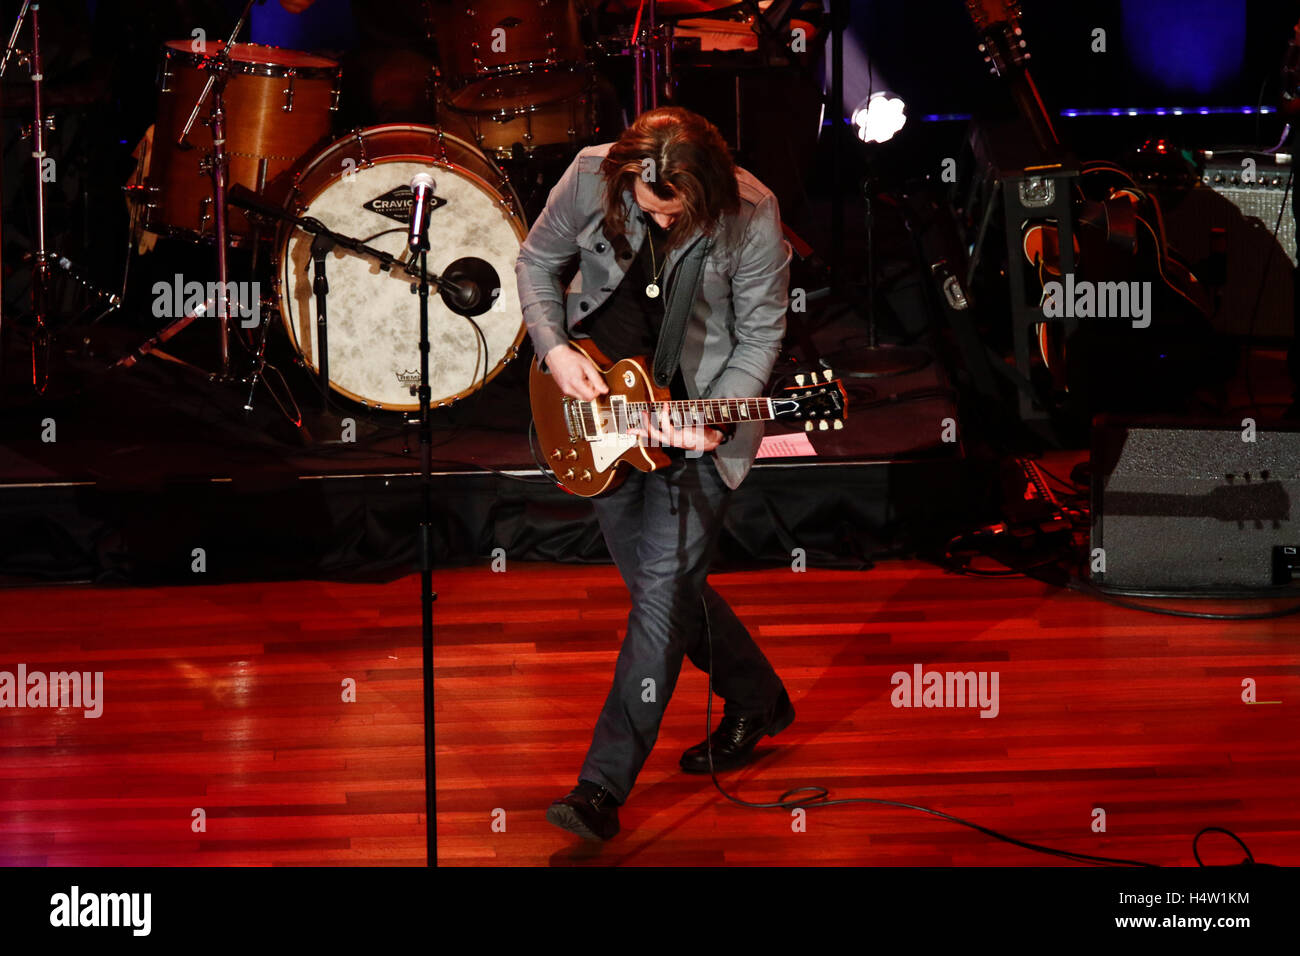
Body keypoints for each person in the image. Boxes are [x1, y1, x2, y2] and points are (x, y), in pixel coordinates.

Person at [514, 106, 794, 842]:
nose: (660, 221)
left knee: (660, 607)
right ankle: (757, 696)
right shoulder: (591, 173)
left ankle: (601, 790)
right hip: (602, 418)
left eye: (674, 211)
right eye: (648, 209)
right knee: (659, 591)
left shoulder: (754, 213)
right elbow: (537, 262)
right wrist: (554, 350)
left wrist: (712, 423)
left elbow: (761, 331)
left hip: (695, 427)